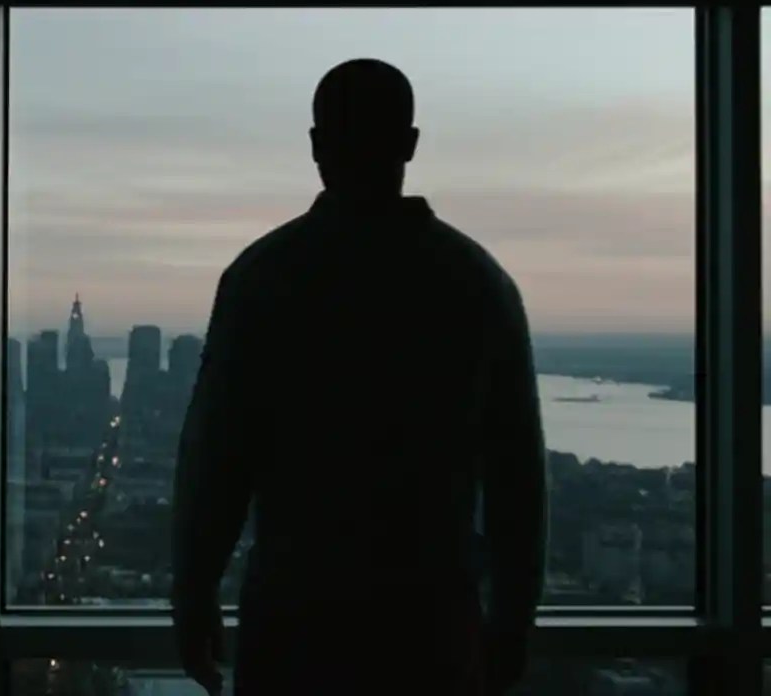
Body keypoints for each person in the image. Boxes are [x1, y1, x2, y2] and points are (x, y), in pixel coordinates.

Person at [170, 58, 548, 695]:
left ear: (316, 145)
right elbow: (518, 479)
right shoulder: (477, 282)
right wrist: (512, 621)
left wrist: (194, 589)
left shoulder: (263, 278)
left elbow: (216, 458)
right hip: (429, 629)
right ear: (410, 144)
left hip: (294, 624)